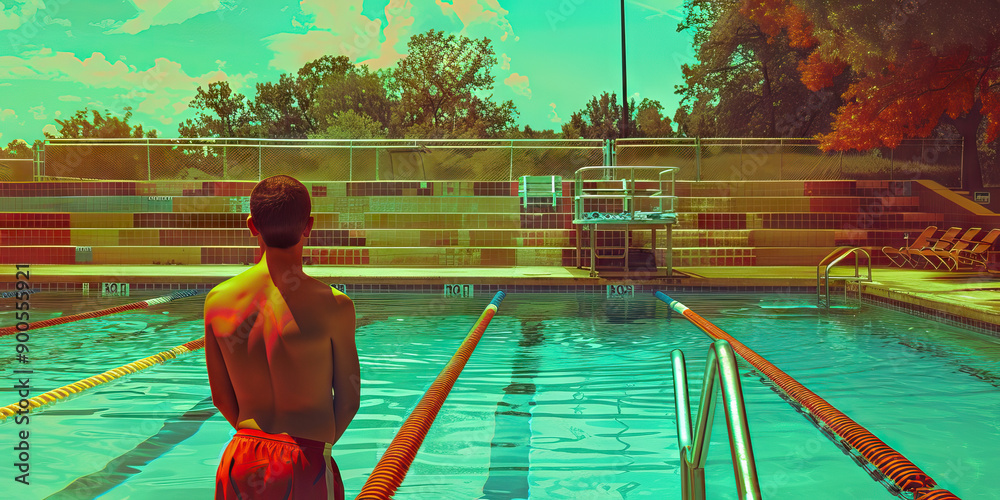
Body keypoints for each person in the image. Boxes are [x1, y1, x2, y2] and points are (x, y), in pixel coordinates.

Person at [204, 175, 360, 499]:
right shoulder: (335, 306)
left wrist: (258, 443)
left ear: (252, 225)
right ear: (309, 226)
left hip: (240, 460)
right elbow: (349, 400)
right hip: (305, 460)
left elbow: (221, 398)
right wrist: (313, 451)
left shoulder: (218, 301)